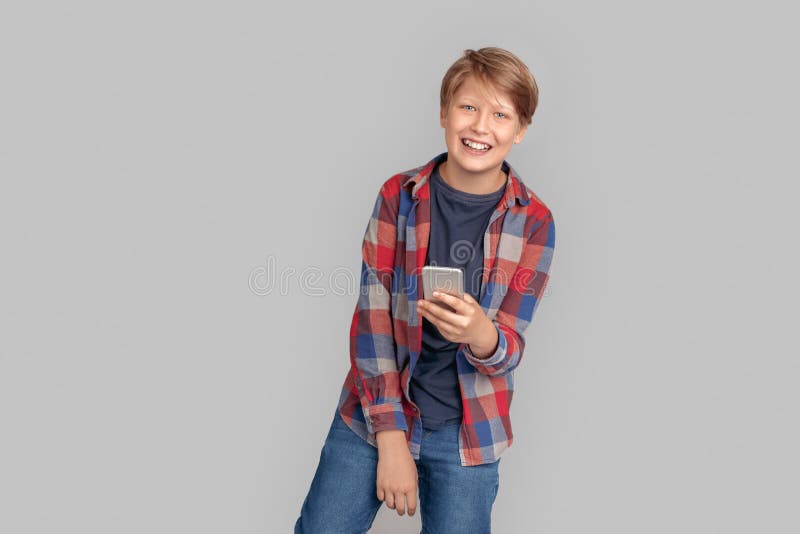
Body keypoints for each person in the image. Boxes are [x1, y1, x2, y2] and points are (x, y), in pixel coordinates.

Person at [294, 46, 556, 534]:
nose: (481, 126)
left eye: (501, 114)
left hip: (468, 432)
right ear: (444, 113)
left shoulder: (535, 223)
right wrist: (391, 438)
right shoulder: (400, 196)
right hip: (373, 415)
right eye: (469, 107)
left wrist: (481, 333)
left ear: (519, 130)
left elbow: (510, 347)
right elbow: (372, 321)